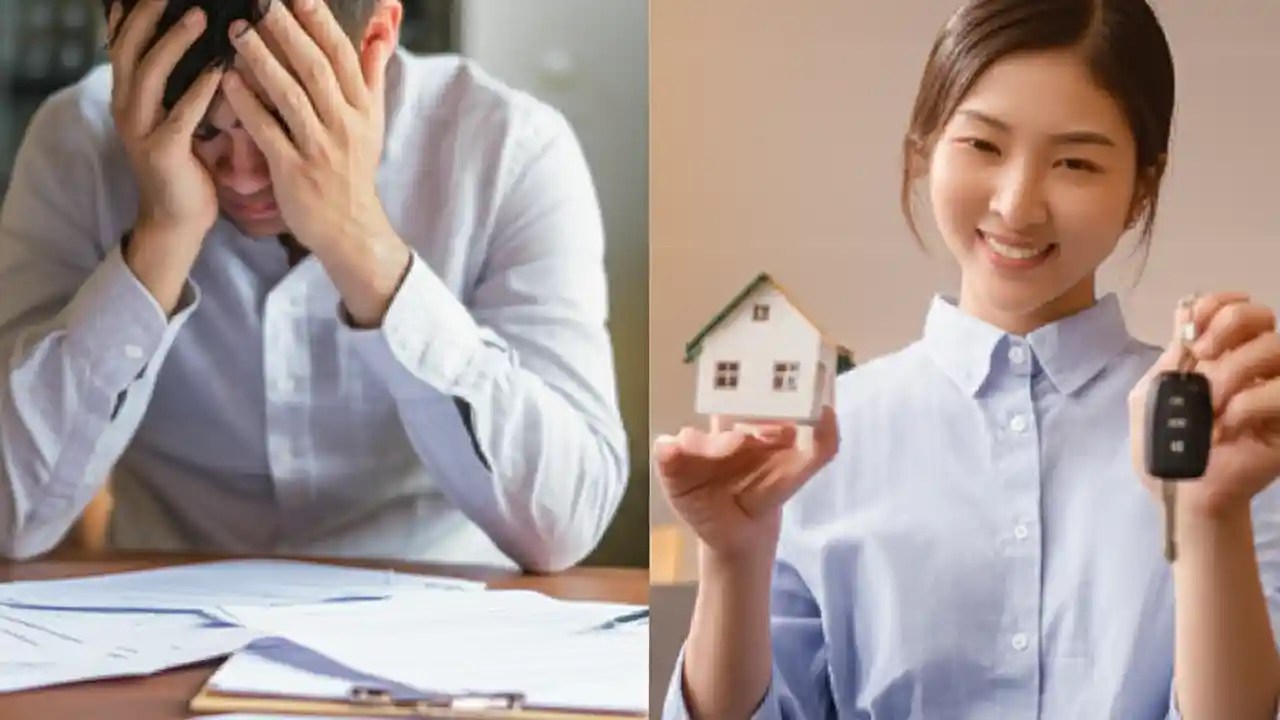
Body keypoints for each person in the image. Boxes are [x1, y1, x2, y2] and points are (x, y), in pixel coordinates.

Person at [656, 0, 1280, 717]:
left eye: (1075, 162)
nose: (1017, 206)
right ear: (922, 148)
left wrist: (1208, 521)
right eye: (983, 146)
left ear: (1142, 188)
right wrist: (732, 560)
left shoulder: (1226, 449)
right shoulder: (816, 444)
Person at [0, 0, 630, 572]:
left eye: (282, 121)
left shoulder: (509, 152)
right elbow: (12, 519)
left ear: (376, 39)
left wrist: (362, 244)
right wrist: (160, 237)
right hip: (160, 636)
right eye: (197, 128)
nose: (243, 177)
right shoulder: (77, 145)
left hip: (441, 627)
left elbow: (564, 525)